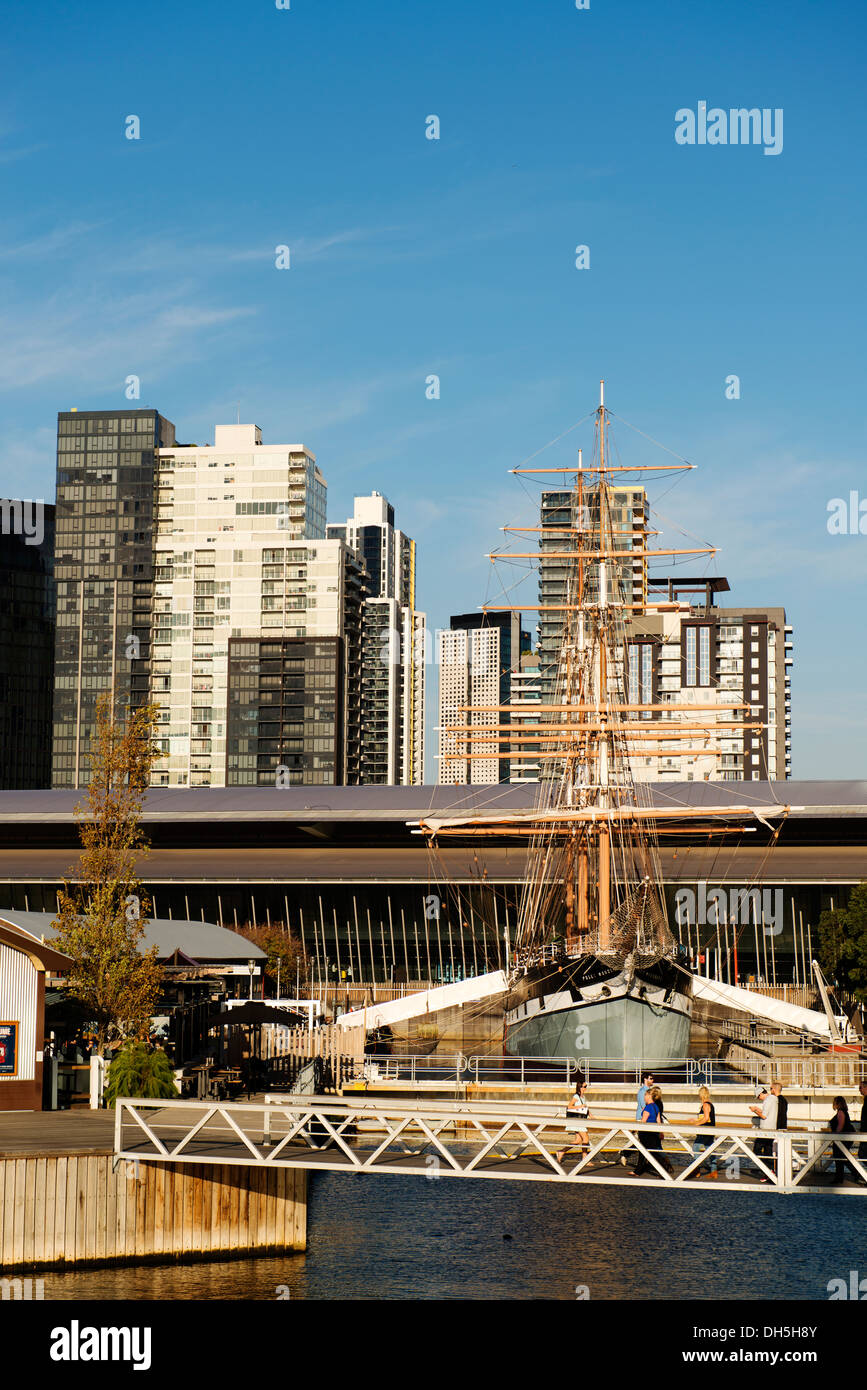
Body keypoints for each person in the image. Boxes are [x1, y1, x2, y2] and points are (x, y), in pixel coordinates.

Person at [635, 1085, 672, 1175]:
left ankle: (664, 1167)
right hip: (654, 1133)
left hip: (646, 1133)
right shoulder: (656, 1107)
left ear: (649, 1096)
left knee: (648, 1152)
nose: (644, 1097)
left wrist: (634, 1130)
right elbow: (659, 1121)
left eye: (645, 1095)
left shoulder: (647, 1108)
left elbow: (643, 1121)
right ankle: (638, 1171)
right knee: (647, 1151)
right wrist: (660, 1132)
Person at [620, 1070, 654, 1167]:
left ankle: (626, 1153)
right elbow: (644, 1107)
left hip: (647, 1118)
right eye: (651, 1078)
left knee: (642, 1140)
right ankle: (625, 1153)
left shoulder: (649, 1091)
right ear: (645, 1079)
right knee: (642, 1140)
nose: (652, 1080)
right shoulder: (642, 1092)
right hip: (642, 1118)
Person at [556, 1082, 593, 1168]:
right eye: (584, 1087)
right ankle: (585, 1160)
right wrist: (579, 1106)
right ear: (579, 1087)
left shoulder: (583, 1097)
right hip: (577, 1121)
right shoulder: (576, 1096)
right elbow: (569, 1107)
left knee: (577, 1141)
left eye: (586, 1087)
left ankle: (561, 1152)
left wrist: (592, 1116)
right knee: (586, 1138)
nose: (585, 1088)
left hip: (581, 1121)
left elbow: (585, 1109)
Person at [749, 1085, 778, 1181]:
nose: (758, 1099)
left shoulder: (767, 1100)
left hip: (766, 1130)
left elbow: (764, 1116)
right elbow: (767, 1113)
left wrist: (754, 1111)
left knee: (757, 1150)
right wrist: (757, 1109)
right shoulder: (772, 1099)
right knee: (767, 1151)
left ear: (761, 1094)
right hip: (771, 1129)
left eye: (758, 1097)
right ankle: (770, 1171)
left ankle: (768, 1170)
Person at [828, 1096, 858, 1184]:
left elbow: (840, 1126)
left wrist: (835, 1137)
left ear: (837, 1103)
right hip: (844, 1138)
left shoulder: (841, 1112)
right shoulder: (843, 1112)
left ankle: (846, 1176)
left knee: (839, 1157)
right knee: (841, 1157)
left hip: (841, 1139)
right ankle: (849, 1174)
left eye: (834, 1102)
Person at [692, 1085, 719, 1177]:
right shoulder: (710, 1104)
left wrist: (697, 1123)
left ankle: (696, 1169)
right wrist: (695, 1120)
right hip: (710, 1131)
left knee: (695, 1148)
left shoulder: (705, 1105)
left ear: (701, 1095)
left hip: (705, 1131)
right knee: (710, 1150)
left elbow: (706, 1118)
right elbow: (705, 1118)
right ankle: (713, 1171)